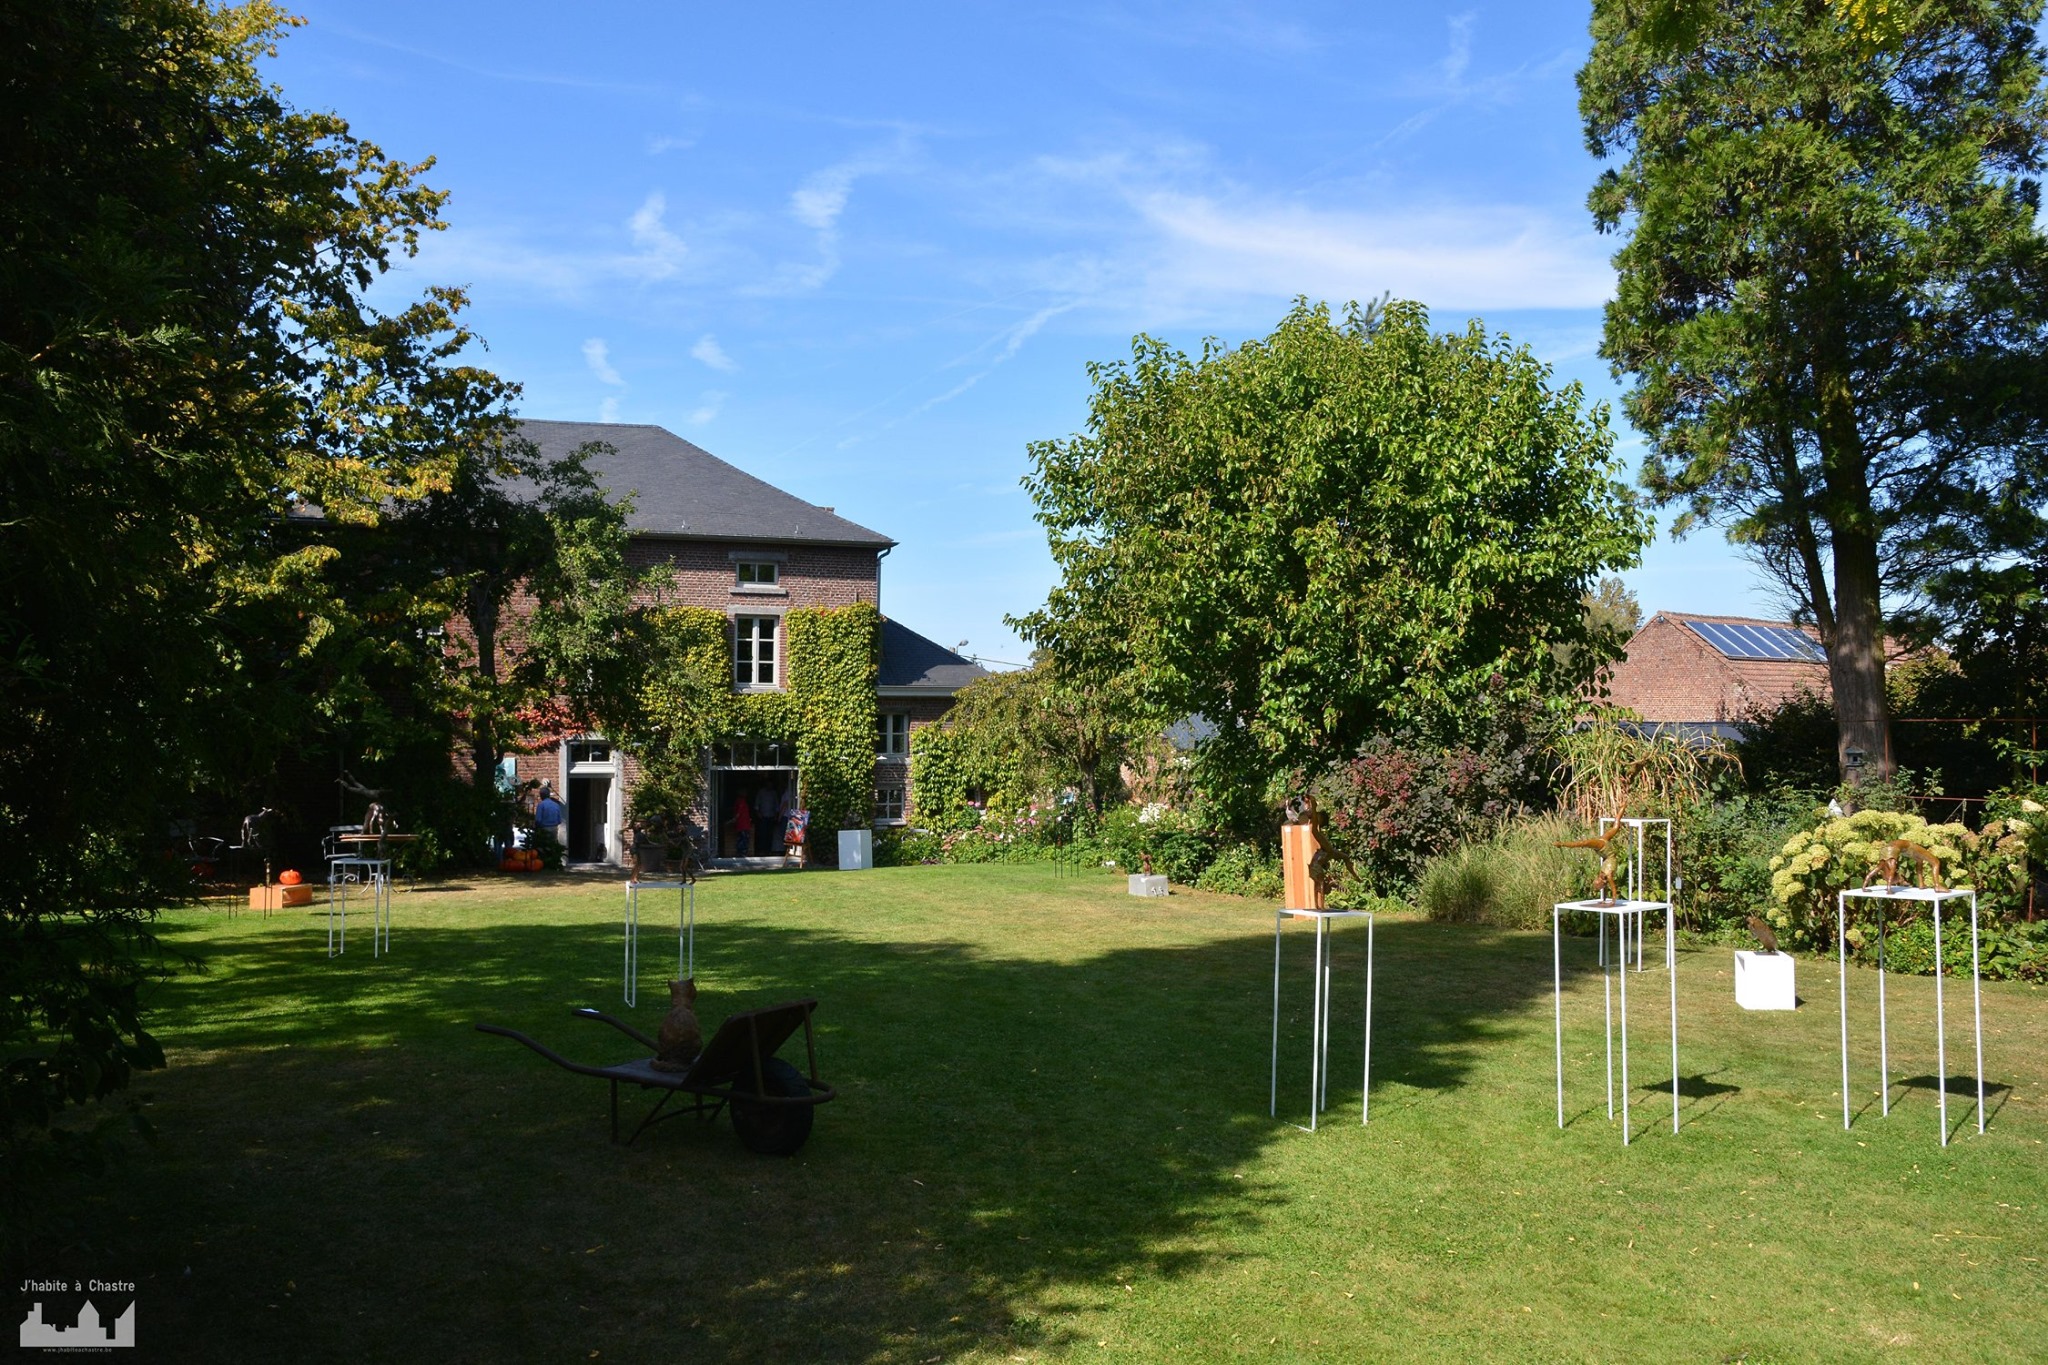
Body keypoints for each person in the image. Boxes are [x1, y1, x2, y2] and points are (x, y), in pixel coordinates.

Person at [731, 791, 753, 856]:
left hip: (742, 823)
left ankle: (741, 852)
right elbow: (739, 812)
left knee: (741, 837)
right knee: (744, 838)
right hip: (743, 824)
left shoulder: (739, 801)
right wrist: (735, 818)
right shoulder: (741, 801)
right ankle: (742, 852)